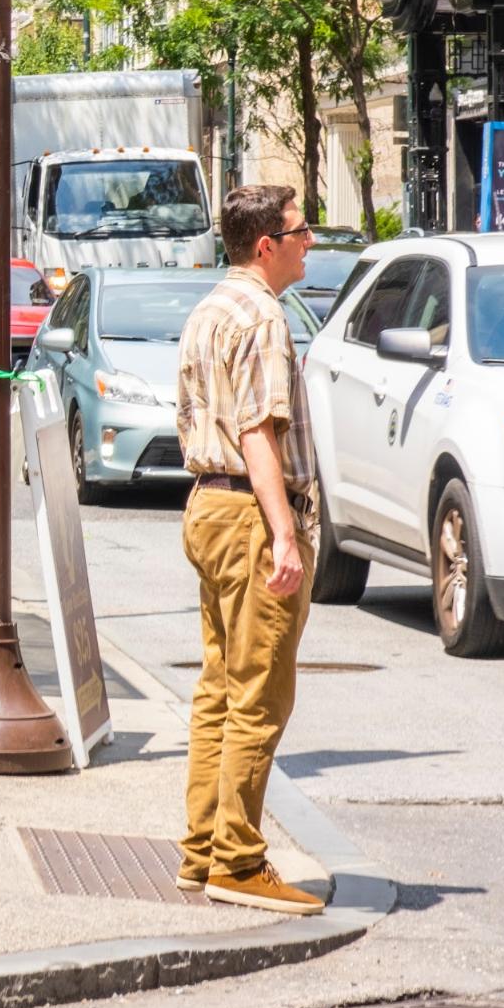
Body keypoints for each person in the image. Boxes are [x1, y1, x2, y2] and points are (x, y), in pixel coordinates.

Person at [174, 183, 321, 916]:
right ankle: (237, 858)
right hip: (247, 513)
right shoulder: (262, 316)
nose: (309, 240)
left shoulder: (208, 308)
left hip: (206, 503)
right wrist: (284, 533)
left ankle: (200, 848)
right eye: (300, 229)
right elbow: (260, 431)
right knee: (258, 693)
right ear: (264, 244)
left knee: (217, 688)